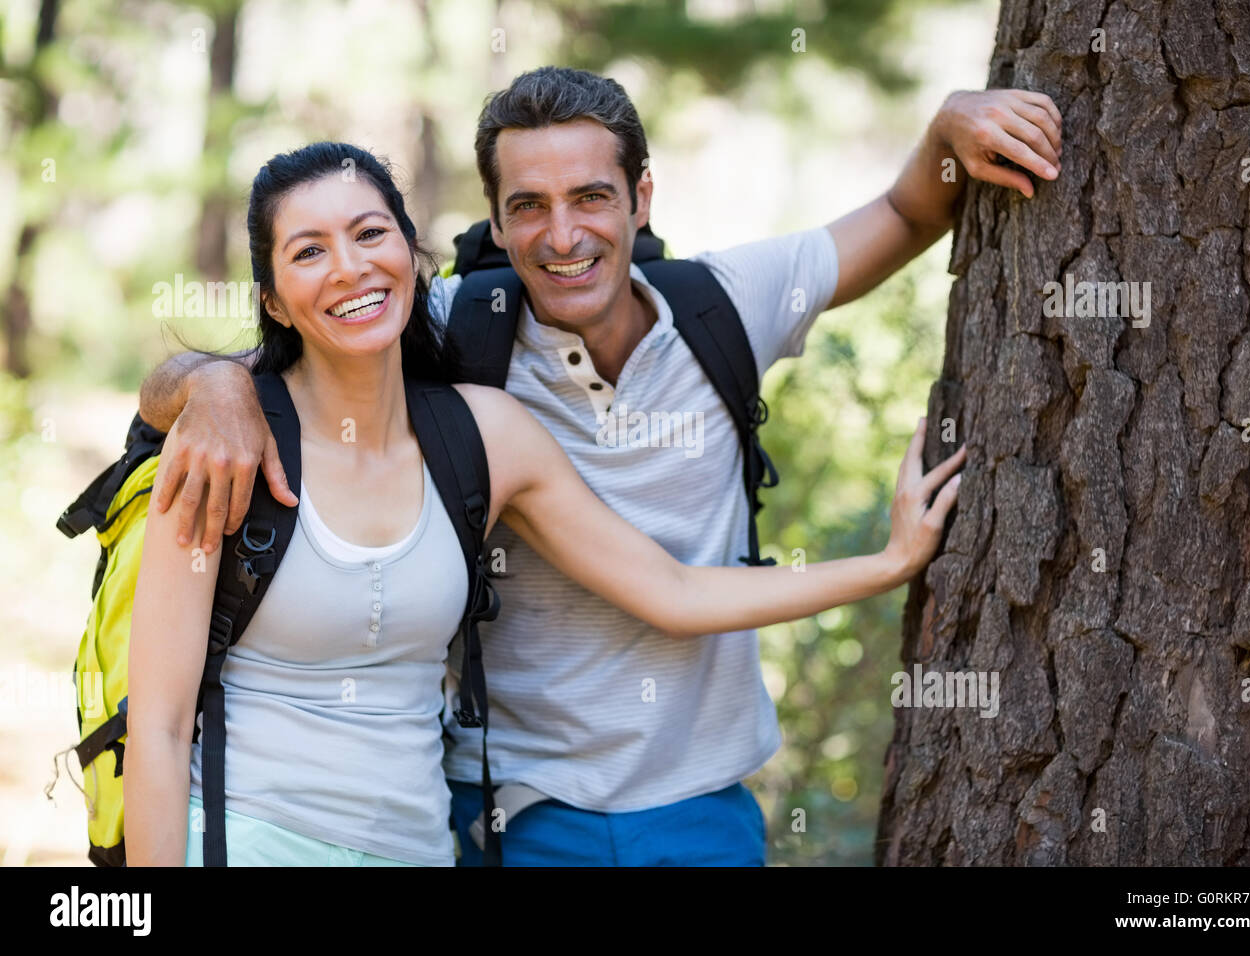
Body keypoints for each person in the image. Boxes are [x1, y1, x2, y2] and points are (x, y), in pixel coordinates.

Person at [139, 67, 1059, 866]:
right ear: (496, 221)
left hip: (700, 803)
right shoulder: (447, 326)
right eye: (528, 207)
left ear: (641, 198)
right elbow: (253, 368)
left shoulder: (726, 307)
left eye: (590, 197)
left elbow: (904, 211)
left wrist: (947, 129)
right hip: (514, 808)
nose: (562, 235)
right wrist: (211, 381)